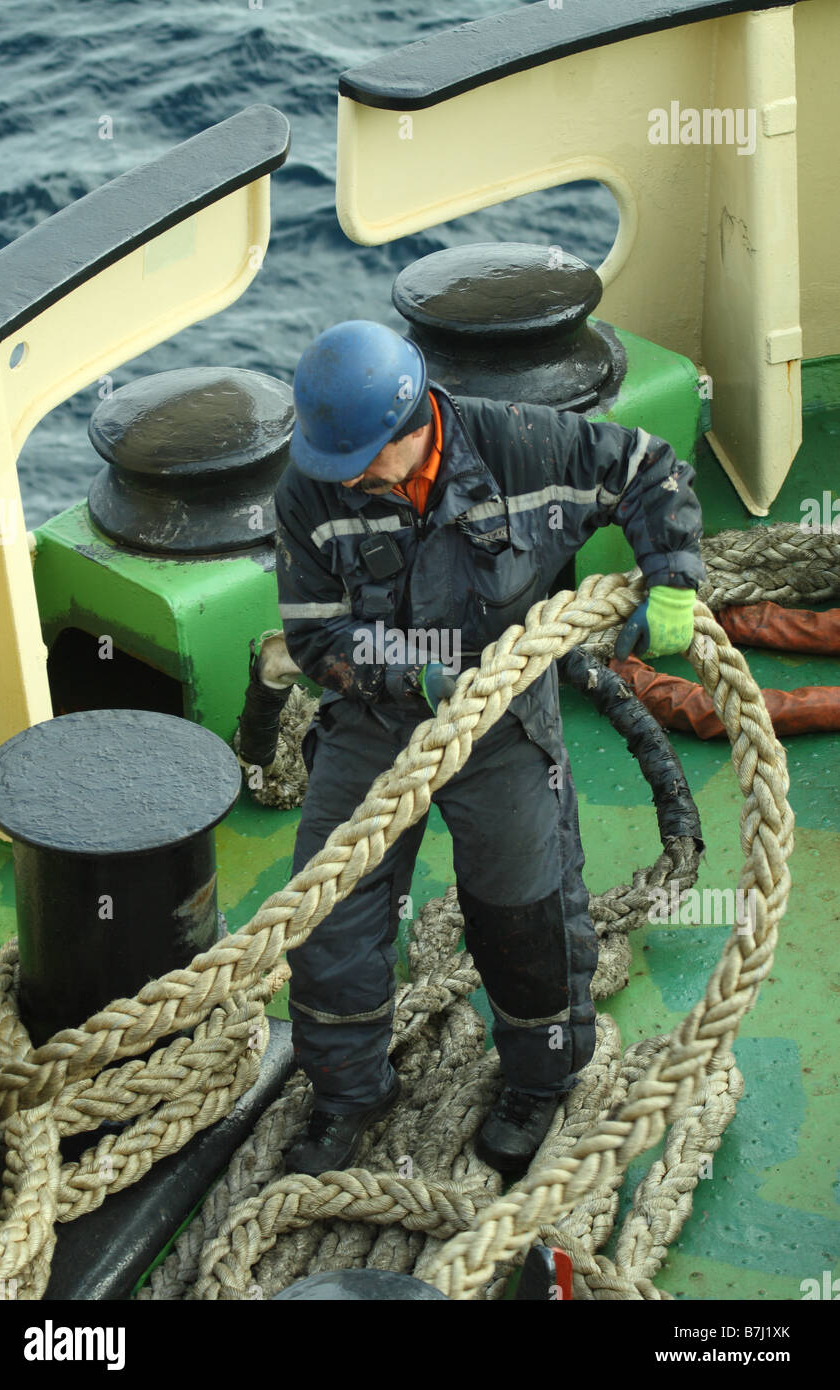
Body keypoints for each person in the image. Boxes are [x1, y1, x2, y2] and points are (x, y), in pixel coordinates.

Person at [272, 319, 705, 1176]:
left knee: (523, 912)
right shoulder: (310, 492)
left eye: (360, 460)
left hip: (502, 711)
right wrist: (416, 673)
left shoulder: (522, 444)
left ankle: (538, 1081)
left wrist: (676, 583)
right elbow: (319, 637)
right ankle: (348, 1094)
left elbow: (649, 469)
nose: (346, 478)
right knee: (328, 916)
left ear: (414, 428)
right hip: (376, 719)